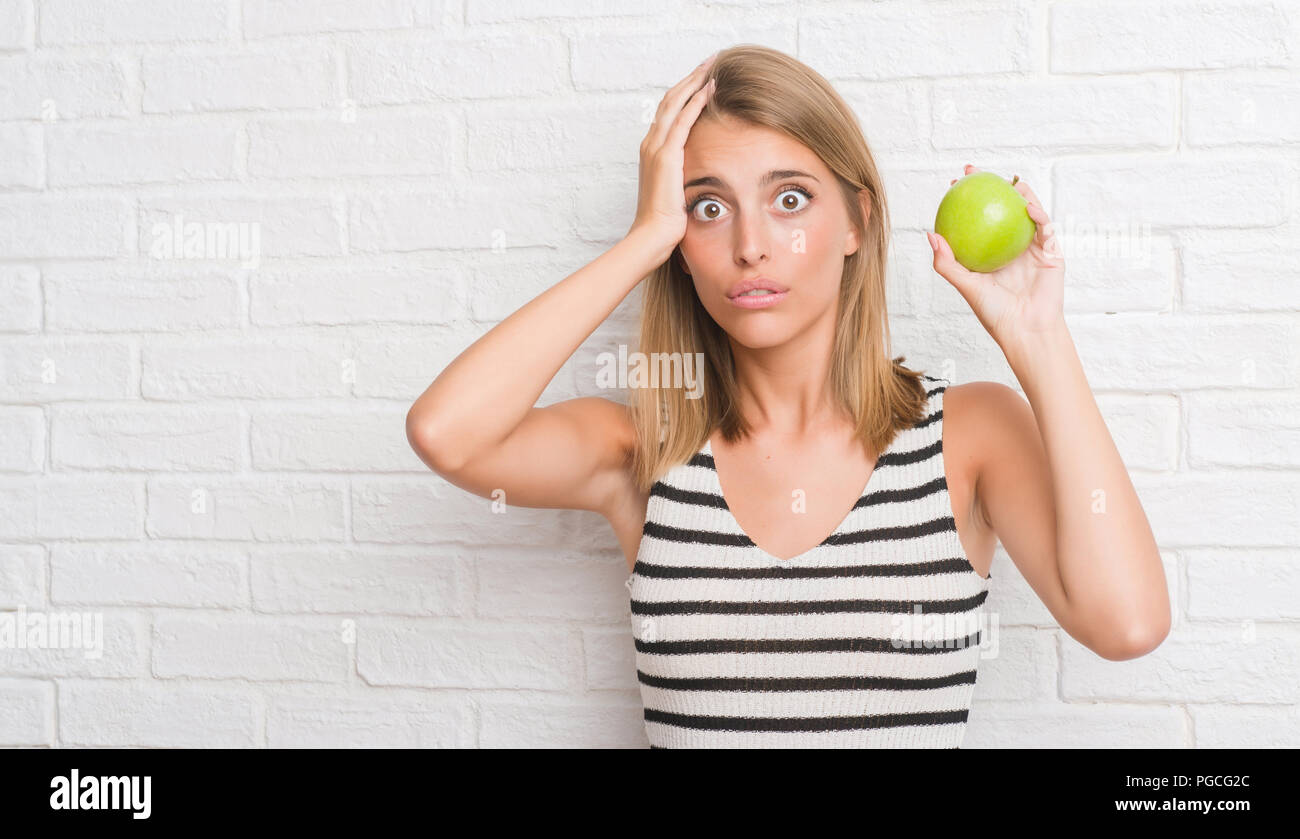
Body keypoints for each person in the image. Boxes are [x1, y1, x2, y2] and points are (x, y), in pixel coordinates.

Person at [406, 45, 1170, 748]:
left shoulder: (967, 434)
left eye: (791, 199)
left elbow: (1127, 623)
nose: (750, 246)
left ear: (857, 220)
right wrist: (643, 239)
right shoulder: (645, 451)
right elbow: (448, 433)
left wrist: (1039, 338)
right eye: (708, 208)